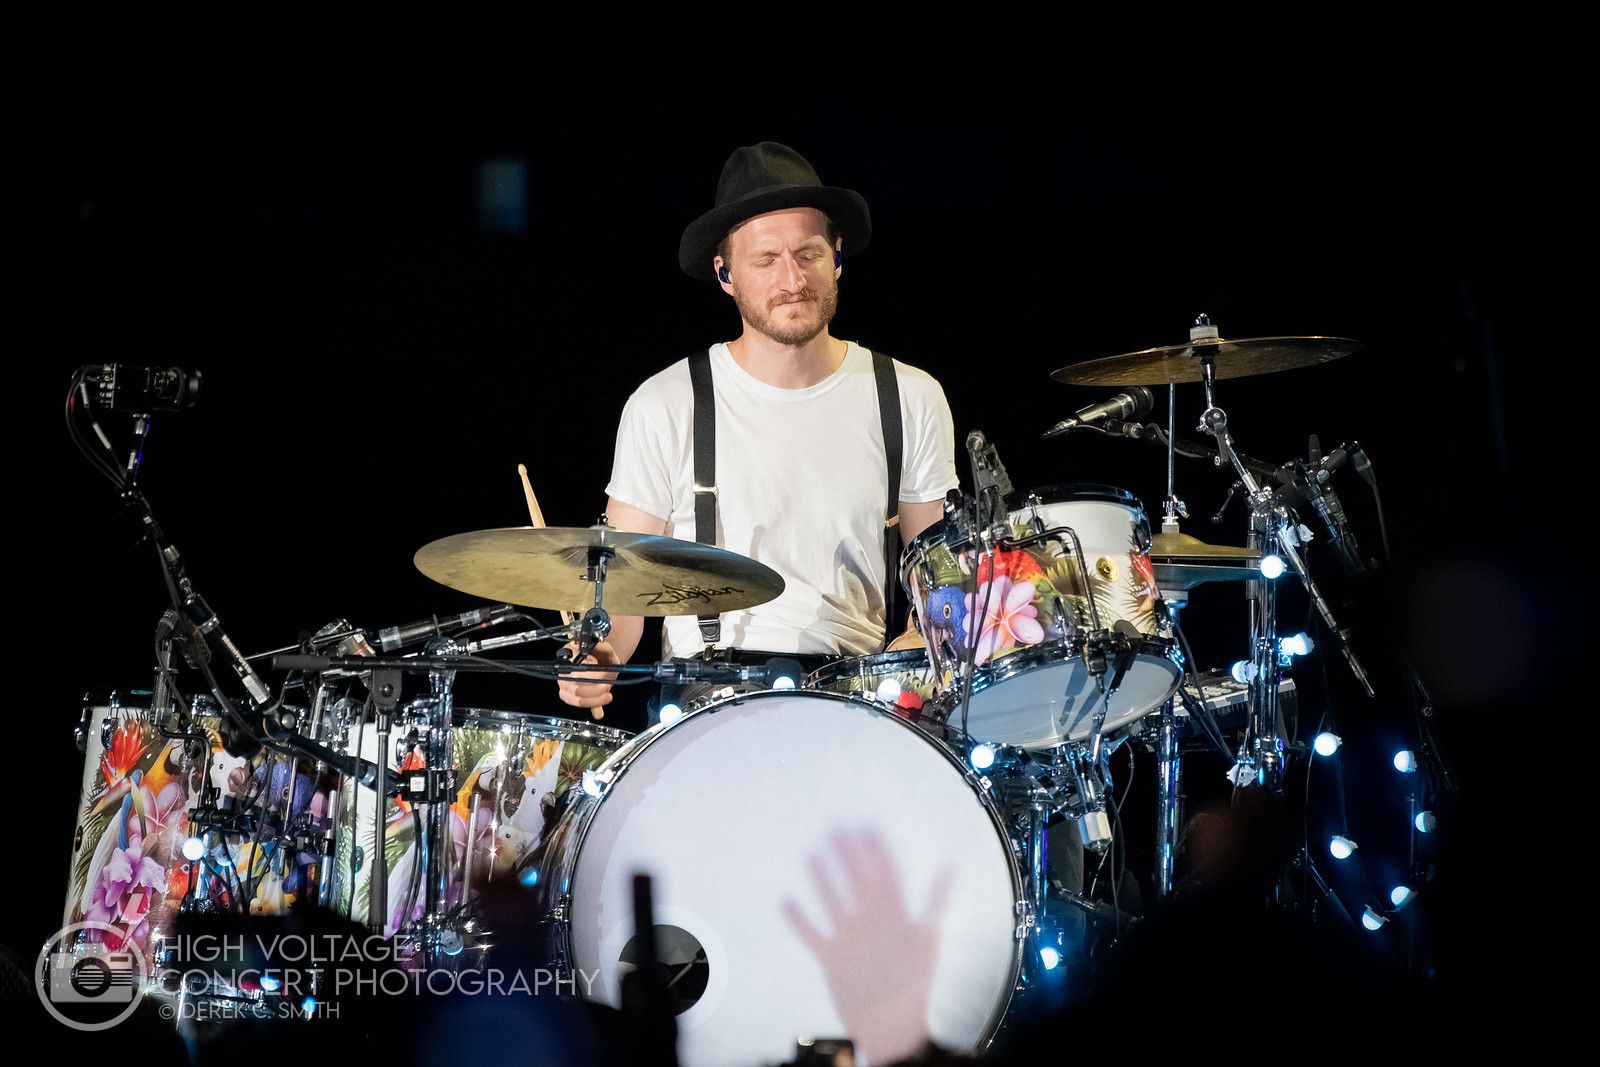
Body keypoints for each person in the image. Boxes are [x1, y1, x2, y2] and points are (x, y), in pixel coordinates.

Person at [557, 142, 958, 713]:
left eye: (809, 254)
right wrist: (600, 659)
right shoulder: (664, 404)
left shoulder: (910, 396)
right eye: (766, 260)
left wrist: (923, 641)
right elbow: (624, 597)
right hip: (705, 703)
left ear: (837, 256)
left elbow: (937, 581)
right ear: (725, 274)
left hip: (858, 700)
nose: (792, 279)